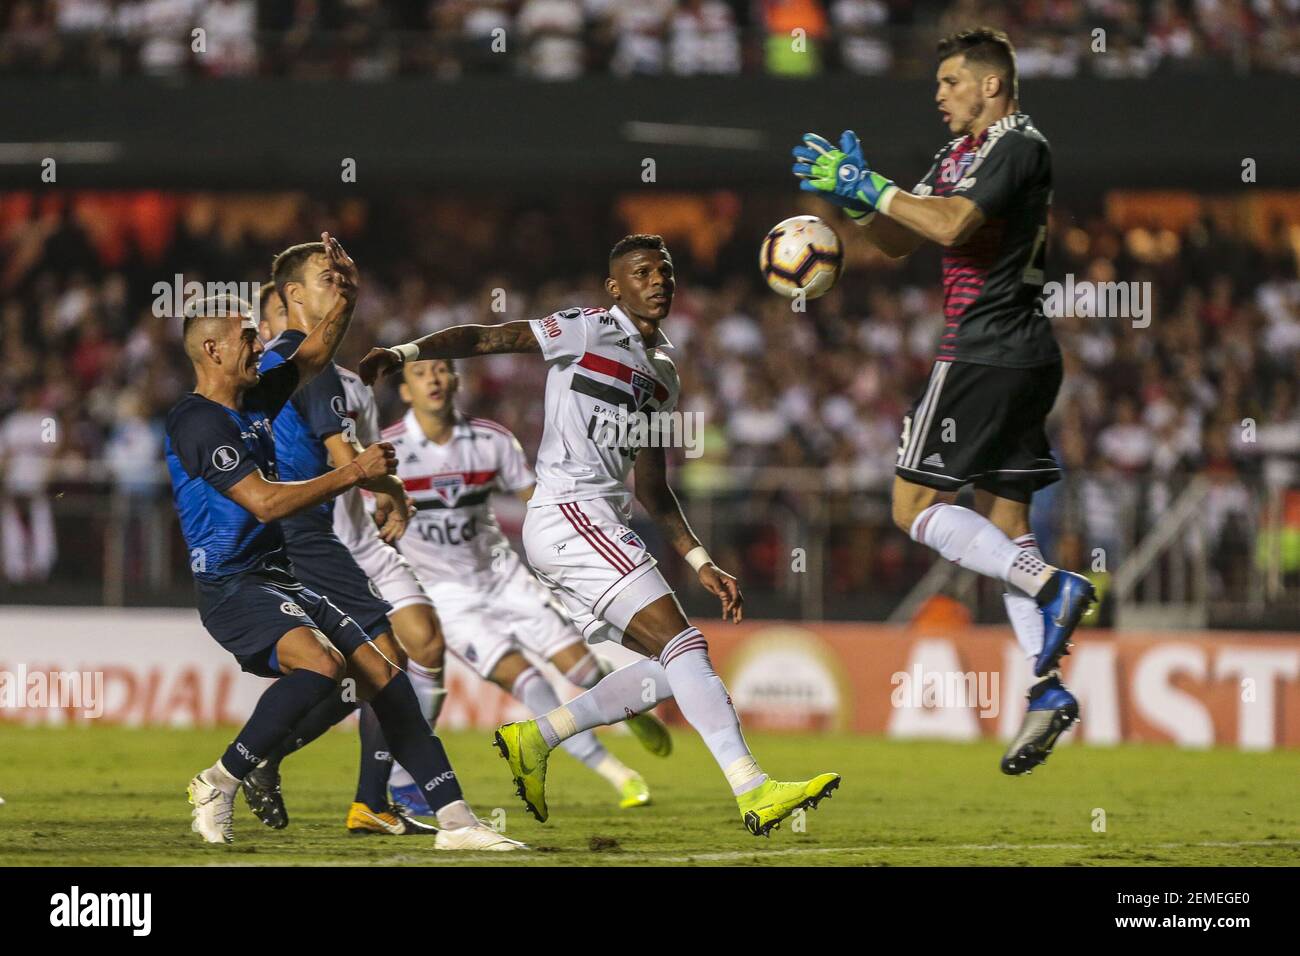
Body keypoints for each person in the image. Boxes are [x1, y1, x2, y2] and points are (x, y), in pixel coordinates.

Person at [360, 234, 840, 837]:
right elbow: (489, 337)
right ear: (616, 288)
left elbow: (653, 487)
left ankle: (539, 736)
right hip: (569, 513)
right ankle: (754, 789)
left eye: (665, 272)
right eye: (643, 273)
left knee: (672, 668)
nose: (658, 281)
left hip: (601, 523)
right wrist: (404, 351)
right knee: (686, 647)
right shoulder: (588, 327)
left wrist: (699, 560)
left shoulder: (663, 374)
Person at [791, 27, 1096, 774]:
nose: (939, 95)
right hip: (1019, 356)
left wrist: (873, 186)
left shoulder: (1018, 145)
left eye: (951, 82)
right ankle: (1046, 687)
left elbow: (956, 223)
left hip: (984, 350)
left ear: (992, 85)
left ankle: (1055, 586)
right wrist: (856, 200)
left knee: (910, 507)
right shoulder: (958, 155)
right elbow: (903, 240)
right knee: (1008, 520)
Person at [164, 233, 521, 850]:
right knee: (323, 666)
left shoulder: (257, 395)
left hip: (278, 576)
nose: (259, 341)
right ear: (213, 349)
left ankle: (457, 822)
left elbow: (317, 347)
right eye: (247, 336)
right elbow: (264, 501)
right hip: (230, 584)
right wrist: (354, 474)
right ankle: (222, 779)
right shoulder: (198, 421)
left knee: (385, 675)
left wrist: (346, 291)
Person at [377, 355, 672, 814]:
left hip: (504, 577)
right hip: (446, 596)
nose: (432, 378)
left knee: (583, 669)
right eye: (420, 372)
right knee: (529, 682)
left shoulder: (492, 440)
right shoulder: (387, 450)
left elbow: (537, 506)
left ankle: (628, 709)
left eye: (440, 370)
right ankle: (621, 776)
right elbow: (366, 515)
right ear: (405, 391)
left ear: (456, 380)